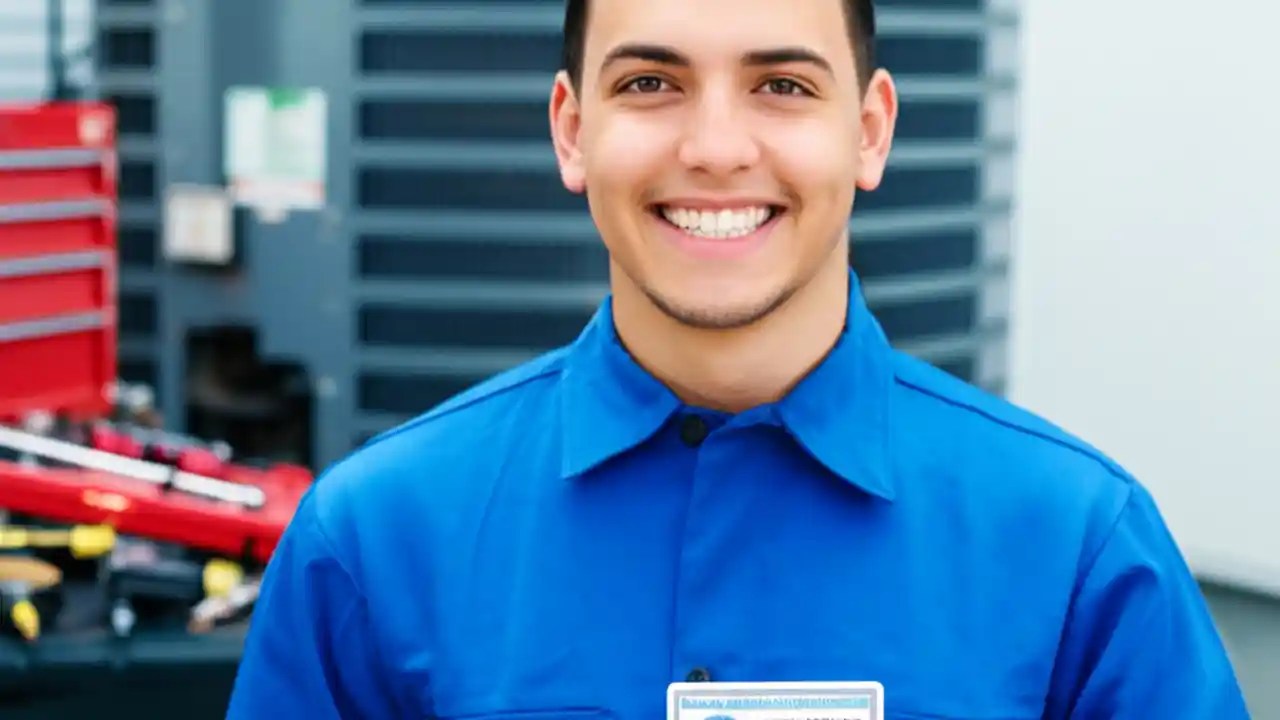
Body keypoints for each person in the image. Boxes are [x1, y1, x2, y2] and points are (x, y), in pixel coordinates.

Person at [227, 0, 1252, 717]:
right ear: (572, 132)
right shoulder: (374, 543)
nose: (715, 147)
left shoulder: (1076, 549)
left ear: (869, 131)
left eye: (780, 85)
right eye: (650, 82)